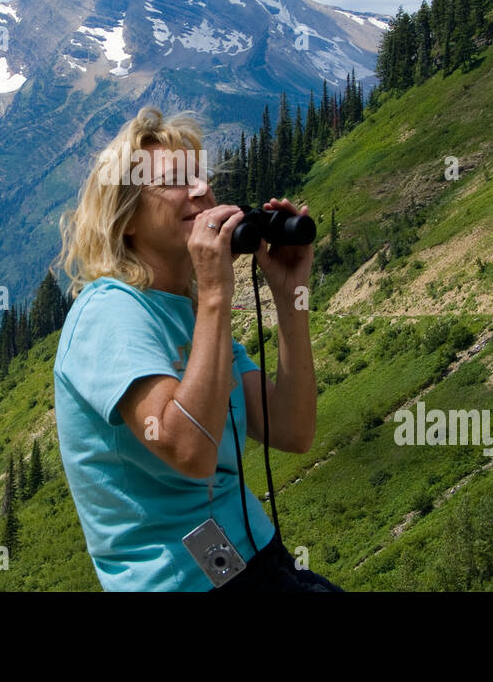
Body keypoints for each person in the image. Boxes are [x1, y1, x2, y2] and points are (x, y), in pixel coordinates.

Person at [51, 106, 343, 592]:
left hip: (258, 558)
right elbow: (190, 451)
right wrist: (213, 294)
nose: (199, 192)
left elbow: (293, 430)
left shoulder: (192, 315)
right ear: (126, 218)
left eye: (202, 177)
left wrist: (291, 297)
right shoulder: (109, 313)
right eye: (174, 182)